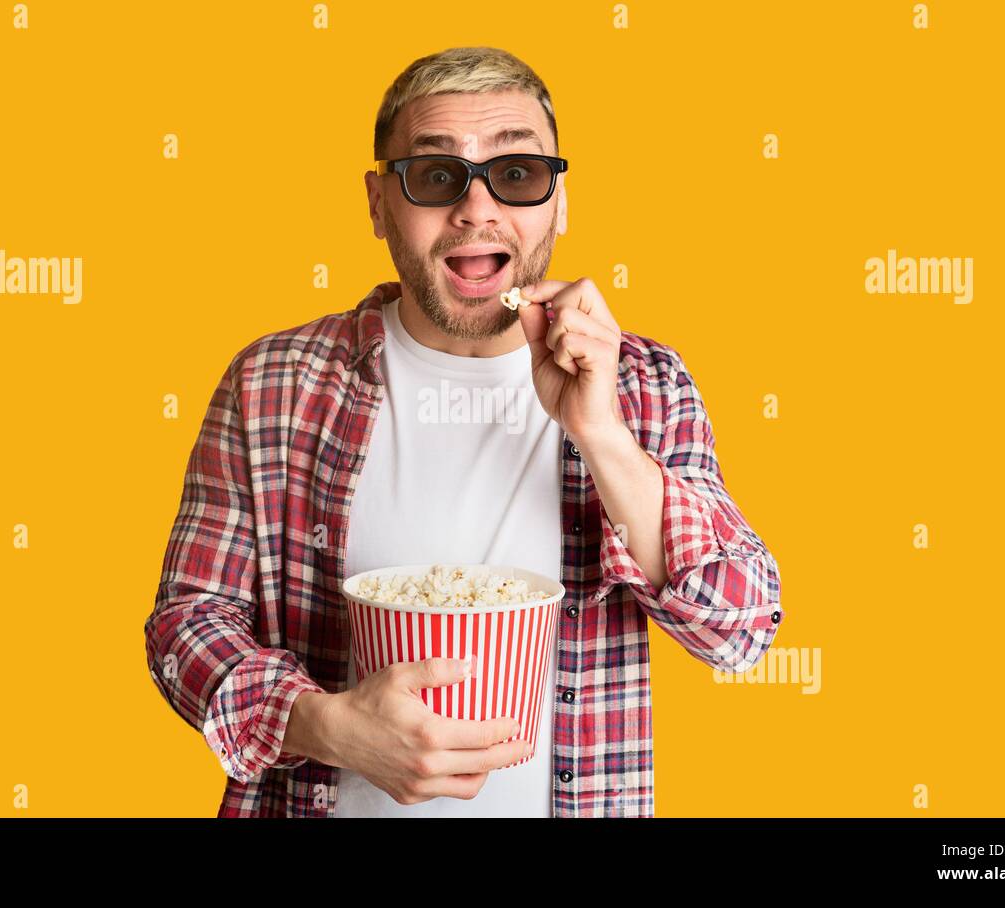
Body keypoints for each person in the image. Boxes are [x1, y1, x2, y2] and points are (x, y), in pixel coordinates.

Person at [144, 46, 783, 818]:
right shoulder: (272, 383)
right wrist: (322, 725)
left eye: (516, 174)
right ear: (380, 204)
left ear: (559, 201)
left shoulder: (643, 385)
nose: (477, 210)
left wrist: (602, 434)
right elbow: (186, 623)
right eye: (437, 176)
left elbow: (741, 627)